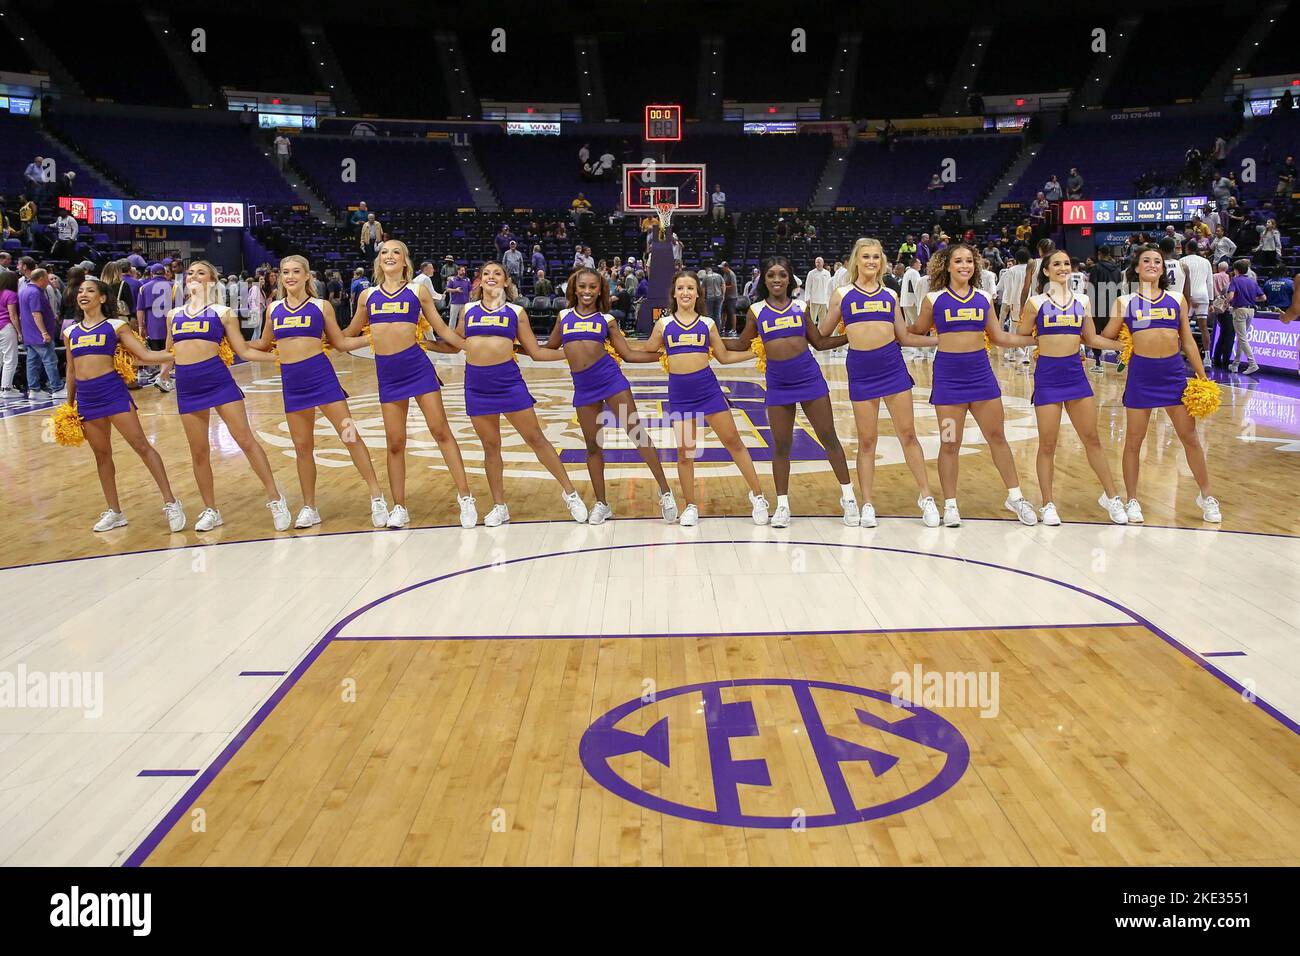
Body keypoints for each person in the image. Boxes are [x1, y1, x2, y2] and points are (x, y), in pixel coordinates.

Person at [346, 240, 478, 529]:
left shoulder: (417, 291)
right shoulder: (367, 296)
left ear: (405, 261)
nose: (389, 256)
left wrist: (470, 346)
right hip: (388, 374)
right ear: (378, 261)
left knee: (440, 431)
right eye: (384, 253)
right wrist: (313, 338)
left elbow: (441, 329)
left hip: (417, 368)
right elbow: (346, 338)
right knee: (395, 443)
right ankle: (399, 507)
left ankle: (466, 498)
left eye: (396, 252)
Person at [253, 255, 388, 529]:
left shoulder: (320, 306)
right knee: (303, 448)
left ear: (307, 277)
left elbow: (339, 343)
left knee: (350, 436)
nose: (289, 276)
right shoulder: (273, 309)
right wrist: (226, 342)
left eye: (296, 272)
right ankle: (309, 506)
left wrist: (376, 334)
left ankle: (376, 496)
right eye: (285, 272)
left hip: (322, 379)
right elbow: (265, 344)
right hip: (292, 384)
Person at [912, 244, 1039, 528]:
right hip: (947, 383)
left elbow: (999, 337)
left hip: (981, 378)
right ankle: (951, 504)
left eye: (969, 261)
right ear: (947, 266)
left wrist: (1038, 339)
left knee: (997, 437)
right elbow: (915, 331)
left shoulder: (983, 298)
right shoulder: (933, 300)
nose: (964, 265)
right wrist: (885, 327)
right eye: (958, 261)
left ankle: (1015, 497)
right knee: (949, 442)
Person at [630, 271, 770, 527]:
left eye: (690, 288)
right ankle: (691, 505)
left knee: (734, 442)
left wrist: (757, 352)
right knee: (685, 452)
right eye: (681, 288)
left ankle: (759, 496)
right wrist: (611, 349)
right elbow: (648, 350)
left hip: (708, 390)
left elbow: (724, 357)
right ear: (674, 293)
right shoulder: (663, 325)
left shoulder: (707, 324)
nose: (685, 292)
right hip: (680, 395)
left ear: (697, 293)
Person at [541, 267, 677, 524]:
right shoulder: (563, 316)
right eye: (582, 286)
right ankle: (602, 504)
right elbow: (548, 347)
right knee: (593, 446)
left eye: (593, 287)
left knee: (637, 434)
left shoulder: (606, 320)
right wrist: (510, 346)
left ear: (600, 290)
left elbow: (629, 354)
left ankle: (665, 491)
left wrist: (670, 354)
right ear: (574, 288)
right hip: (583, 388)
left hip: (611, 382)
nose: (587, 291)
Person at [726, 257, 854, 528]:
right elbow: (740, 344)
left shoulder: (801, 306)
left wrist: (853, 335)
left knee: (828, 436)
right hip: (778, 384)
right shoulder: (756, 310)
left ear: (790, 279)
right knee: (782, 446)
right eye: (771, 275)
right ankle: (782, 505)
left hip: (809, 379)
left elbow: (818, 342)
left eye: (782, 275)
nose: (776, 279)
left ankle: (849, 497)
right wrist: (707, 337)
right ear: (764, 279)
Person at [457, 261, 587, 527]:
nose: (491, 277)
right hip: (476, 385)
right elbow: (456, 343)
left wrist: (570, 352)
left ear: (506, 282)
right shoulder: (468, 311)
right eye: (486, 274)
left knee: (536, 438)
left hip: (508, 383)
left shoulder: (516, 312)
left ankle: (570, 494)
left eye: (497, 274)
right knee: (490, 447)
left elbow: (537, 352)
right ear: (480, 281)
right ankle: (499, 505)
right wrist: (422, 342)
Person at [165, 260, 292, 532]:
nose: (194, 276)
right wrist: (159, 371)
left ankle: (275, 498)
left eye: (201, 272)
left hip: (218, 380)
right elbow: (169, 352)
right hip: (187, 386)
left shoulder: (223, 313)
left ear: (212, 280)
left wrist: (281, 358)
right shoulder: (173, 314)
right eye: (190, 273)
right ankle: (211, 510)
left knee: (245, 440)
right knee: (199, 452)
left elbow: (243, 352)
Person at [820, 238, 939, 526]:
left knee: (908, 434)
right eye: (866, 257)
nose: (871, 261)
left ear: (881, 261)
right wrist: (852, 335)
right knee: (867, 440)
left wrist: (942, 339)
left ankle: (926, 496)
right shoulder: (842, 294)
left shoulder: (890, 296)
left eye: (876, 256)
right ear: (856, 261)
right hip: (861, 368)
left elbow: (905, 336)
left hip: (892, 366)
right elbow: (822, 333)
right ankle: (868, 503)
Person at [1098, 244, 1218, 523]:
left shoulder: (1176, 299)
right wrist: (1127, 345)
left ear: (1163, 269)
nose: (1152, 264)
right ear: (1137, 268)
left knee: (1190, 439)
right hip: (1141, 376)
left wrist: (1201, 375)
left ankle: (1207, 495)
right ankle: (1132, 500)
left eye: (1157, 261)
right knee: (1133, 442)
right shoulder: (1124, 302)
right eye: (1146, 261)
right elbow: (1105, 337)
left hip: (1174, 375)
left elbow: (1187, 340)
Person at [60, 278, 186, 532]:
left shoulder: (116, 327)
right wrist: (69, 406)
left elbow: (145, 356)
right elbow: (71, 371)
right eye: (80, 291)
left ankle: (171, 502)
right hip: (86, 399)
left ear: (102, 298)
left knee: (141, 445)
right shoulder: (70, 332)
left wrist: (184, 354)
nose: (83, 294)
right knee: (102, 455)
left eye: (90, 291)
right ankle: (115, 512)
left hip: (112, 392)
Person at [1016, 250, 1128, 525]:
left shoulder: (1083, 300)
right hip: (1047, 376)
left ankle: (1112, 497)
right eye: (1056, 264)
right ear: (1046, 271)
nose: (1063, 267)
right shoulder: (1035, 302)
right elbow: (1021, 337)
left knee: (1092, 439)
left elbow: (1091, 339)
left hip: (1075, 375)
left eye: (1067, 263)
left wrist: (1124, 346)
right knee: (1048, 444)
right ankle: (1048, 504)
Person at [18, 269, 65, 399]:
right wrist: (44, 332)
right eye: (47, 279)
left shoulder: (24, 290)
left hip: (29, 334)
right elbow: (36, 314)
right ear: (41, 279)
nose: (48, 282)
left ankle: (34, 390)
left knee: (32, 362)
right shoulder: (35, 292)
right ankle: (57, 387)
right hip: (39, 335)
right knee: (50, 360)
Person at [135, 263, 175, 391]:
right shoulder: (174, 286)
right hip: (170, 322)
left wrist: (141, 326)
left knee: (159, 352)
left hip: (152, 324)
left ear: (151, 274)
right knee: (170, 351)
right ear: (165, 273)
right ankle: (164, 377)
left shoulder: (144, 288)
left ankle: (164, 378)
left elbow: (140, 309)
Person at [1226, 258, 1265, 375]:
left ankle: (1252, 363)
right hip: (1251, 310)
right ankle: (1235, 364)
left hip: (1240, 310)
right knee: (1241, 337)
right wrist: (1252, 299)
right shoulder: (1252, 281)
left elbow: (1231, 296)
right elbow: (1263, 298)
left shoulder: (1235, 280)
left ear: (1236, 270)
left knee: (1242, 338)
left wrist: (1226, 302)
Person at [0, 269, 20, 398]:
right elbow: (13, 315)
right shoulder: (11, 294)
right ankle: (6, 388)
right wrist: (19, 332)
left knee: (1, 359)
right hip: (6, 326)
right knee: (10, 359)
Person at [803, 256, 832, 329]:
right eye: (817, 262)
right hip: (814, 301)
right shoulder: (811, 273)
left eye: (819, 262)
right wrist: (807, 299)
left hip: (824, 301)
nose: (818, 264)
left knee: (823, 321)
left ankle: (820, 335)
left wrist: (829, 299)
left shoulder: (827, 273)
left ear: (823, 263)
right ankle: (811, 336)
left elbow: (829, 287)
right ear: (815, 263)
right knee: (812, 320)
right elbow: (808, 286)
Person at [444, 264, 471, 329]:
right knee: (453, 319)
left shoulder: (467, 280)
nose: (463, 272)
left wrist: (470, 301)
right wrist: (456, 290)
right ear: (458, 271)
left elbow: (470, 290)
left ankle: (463, 332)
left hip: (465, 303)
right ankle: (451, 333)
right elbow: (447, 289)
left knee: (464, 319)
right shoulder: (453, 279)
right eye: (462, 270)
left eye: (464, 270)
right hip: (455, 303)